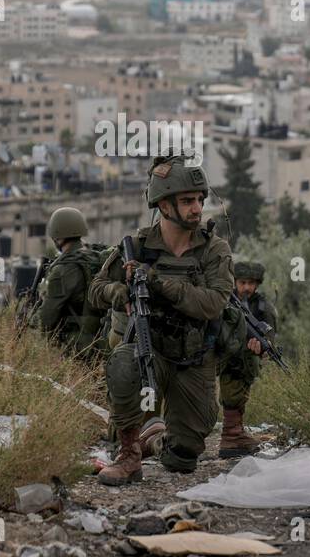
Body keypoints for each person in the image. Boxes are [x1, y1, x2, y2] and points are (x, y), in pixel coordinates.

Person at [88, 155, 233, 485]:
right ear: (164, 204)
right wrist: (119, 293)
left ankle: (154, 438)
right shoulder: (137, 246)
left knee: (182, 458)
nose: (196, 208)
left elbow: (213, 303)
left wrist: (157, 283)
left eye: (199, 200)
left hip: (193, 358)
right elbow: (95, 289)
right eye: (187, 201)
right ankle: (129, 455)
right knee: (124, 363)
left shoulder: (214, 250)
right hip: (150, 350)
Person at [215, 261, 278, 458]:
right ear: (234, 282)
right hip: (219, 353)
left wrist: (262, 347)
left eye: (251, 283)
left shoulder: (262, 306)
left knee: (242, 370)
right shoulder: (223, 300)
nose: (247, 288)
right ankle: (230, 434)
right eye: (242, 282)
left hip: (242, 361)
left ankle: (234, 431)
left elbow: (269, 334)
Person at [35, 206, 109, 363]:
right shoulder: (95, 256)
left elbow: (46, 319)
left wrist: (31, 319)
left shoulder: (63, 269)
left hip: (78, 346)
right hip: (103, 338)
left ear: (57, 236)